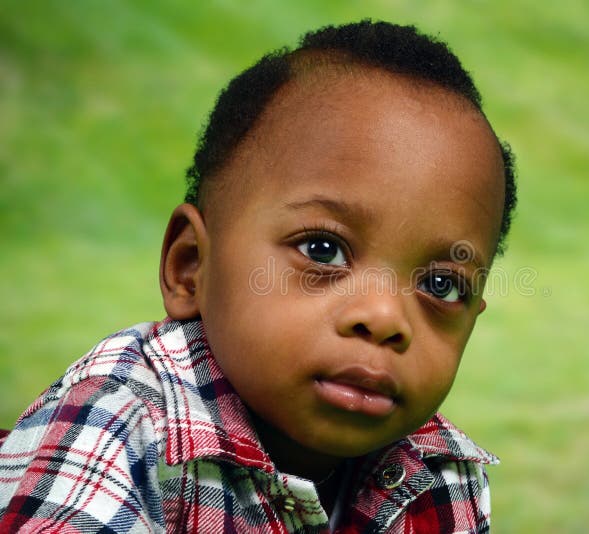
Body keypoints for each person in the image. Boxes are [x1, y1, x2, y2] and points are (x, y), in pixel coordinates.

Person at [0, 19, 516, 533]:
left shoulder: (441, 474)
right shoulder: (122, 423)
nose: (384, 318)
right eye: (323, 250)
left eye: (440, 285)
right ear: (190, 265)